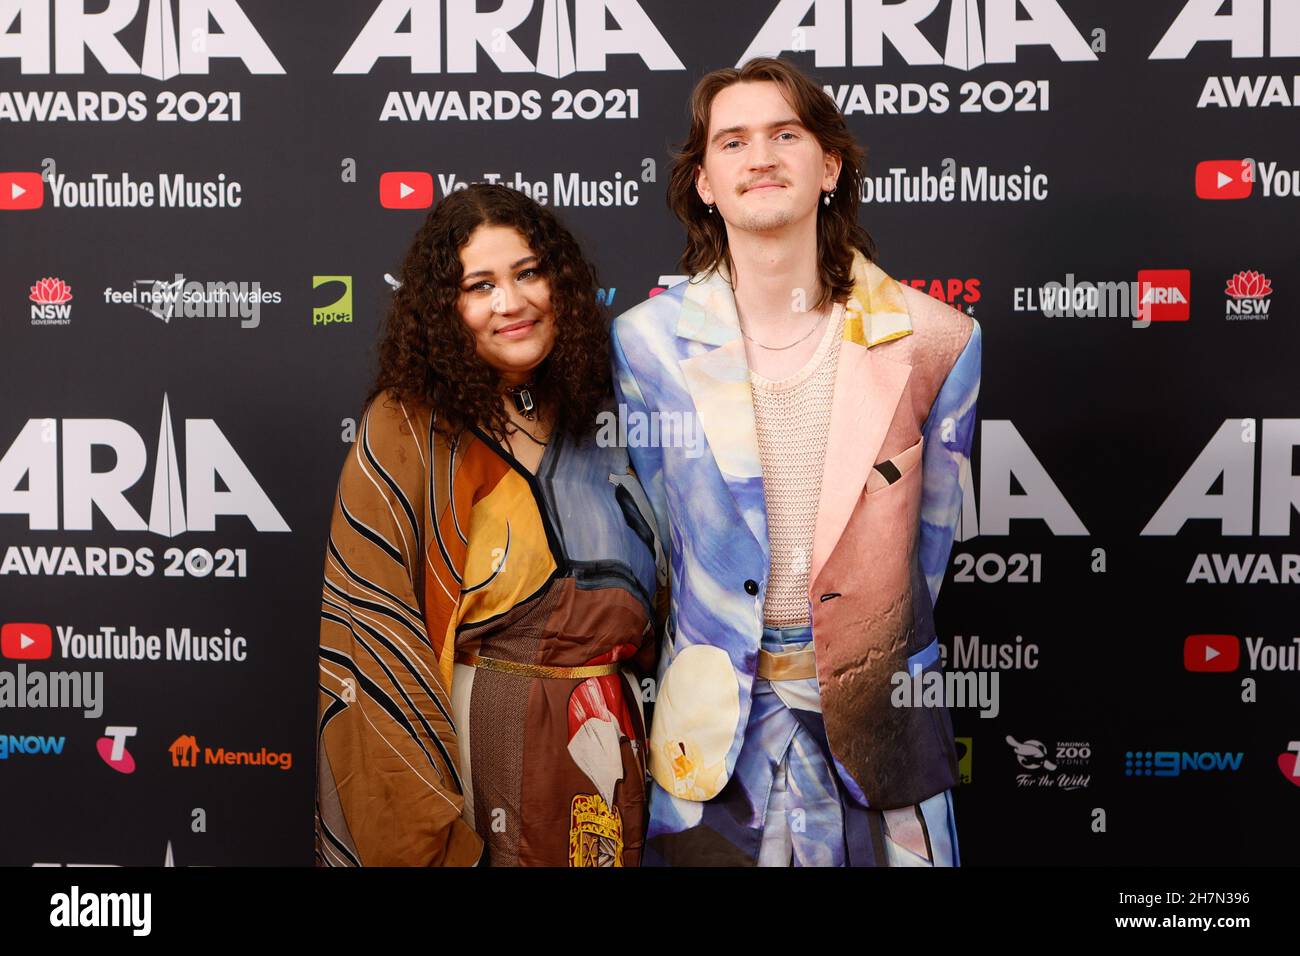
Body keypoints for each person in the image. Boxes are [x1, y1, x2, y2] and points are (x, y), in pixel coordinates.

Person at [610, 57, 981, 866]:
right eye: (733, 141)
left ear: (831, 165)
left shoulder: (936, 339)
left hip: (878, 721)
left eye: (786, 133)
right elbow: (658, 538)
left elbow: (927, 554)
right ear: (704, 181)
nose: (762, 156)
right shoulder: (645, 345)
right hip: (712, 736)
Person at [317, 183, 665, 867]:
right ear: (446, 310)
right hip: (476, 754)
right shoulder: (408, 426)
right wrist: (429, 829)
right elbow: (372, 631)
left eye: (528, 273)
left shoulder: (609, 414)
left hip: (611, 748)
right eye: (481, 285)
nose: (512, 303)